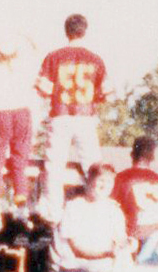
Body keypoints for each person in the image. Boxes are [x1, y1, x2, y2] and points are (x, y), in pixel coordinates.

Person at [36, 13, 112, 221]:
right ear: (84, 31)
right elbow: (107, 93)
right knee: (93, 165)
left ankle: (53, 211)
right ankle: (99, 204)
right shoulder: (95, 59)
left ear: (66, 31)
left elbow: (43, 89)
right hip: (85, 116)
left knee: (54, 166)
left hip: (61, 114)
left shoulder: (54, 57)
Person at [0, 30, 38, 218]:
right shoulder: (25, 65)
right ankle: (21, 198)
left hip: (0, 111)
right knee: (20, 159)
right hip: (22, 111)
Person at [53, 163, 130, 272]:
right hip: (76, 271)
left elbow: (121, 241)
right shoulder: (74, 207)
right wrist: (107, 252)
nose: (105, 186)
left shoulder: (114, 210)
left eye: (109, 182)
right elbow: (77, 249)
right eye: (101, 180)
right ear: (89, 181)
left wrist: (128, 245)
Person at [111, 136, 158, 240]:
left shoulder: (121, 178)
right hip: (156, 235)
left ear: (132, 154)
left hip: (131, 234)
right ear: (152, 157)